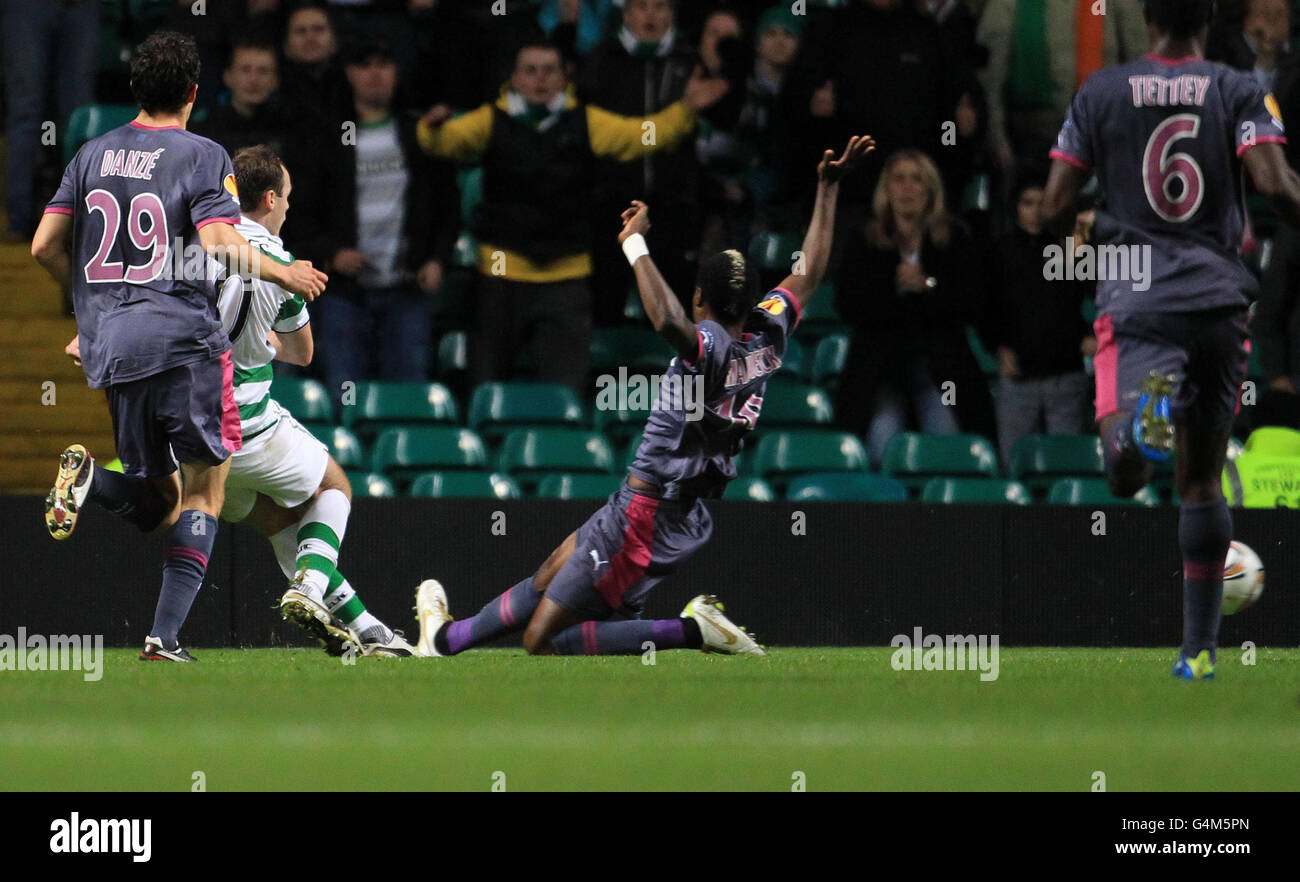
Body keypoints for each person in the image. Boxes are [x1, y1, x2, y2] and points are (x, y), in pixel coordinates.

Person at [413, 135, 875, 658]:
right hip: (669, 508)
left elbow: (666, 321)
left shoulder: (712, 344)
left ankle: (694, 630)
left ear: (700, 297)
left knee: (542, 640)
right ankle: (445, 640)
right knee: (550, 572)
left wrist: (635, 243)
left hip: (645, 513)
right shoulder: (768, 332)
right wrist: (828, 188)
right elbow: (808, 272)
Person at [32, 32, 328, 662]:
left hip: (115, 346)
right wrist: (285, 273)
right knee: (204, 495)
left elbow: (43, 246)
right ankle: (163, 639)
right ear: (194, 92)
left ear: (134, 89)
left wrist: (92, 316)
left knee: (155, 501)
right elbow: (220, 241)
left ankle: (89, 480)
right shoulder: (201, 153)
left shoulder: (90, 153)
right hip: (186, 342)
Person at [1042, 0, 1300, 680]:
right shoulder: (1239, 86)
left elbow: (1050, 206)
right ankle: (1198, 655)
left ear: (1148, 16)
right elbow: (1276, 186)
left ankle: (1137, 432)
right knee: (1200, 482)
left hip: (1138, 296)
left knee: (1124, 475)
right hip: (1219, 300)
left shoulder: (1101, 91)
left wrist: (1091, 216)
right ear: (1210, 20)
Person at [416, 38, 729, 394]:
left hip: (567, 281)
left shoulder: (587, 121)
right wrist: (429, 130)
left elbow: (641, 135)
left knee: (565, 395)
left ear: (565, 76)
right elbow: (442, 141)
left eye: (549, 70)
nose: (540, 79)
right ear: (514, 77)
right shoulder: (490, 120)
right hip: (499, 277)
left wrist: (686, 109)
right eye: (530, 71)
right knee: (486, 392)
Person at [214, 145, 415, 657]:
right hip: (247, 419)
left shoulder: (200, 242)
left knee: (282, 520)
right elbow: (303, 355)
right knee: (335, 487)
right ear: (268, 199)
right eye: (286, 198)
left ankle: (368, 630)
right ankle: (308, 589)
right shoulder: (282, 262)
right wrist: (271, 336)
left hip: (192, 426)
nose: (288, 207)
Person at [290, 37, 458, 398]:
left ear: (397, 72)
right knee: (345, 397)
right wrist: (334, 253)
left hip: (408, 290)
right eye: (365, 65)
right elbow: (301, 215)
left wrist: (437, 259)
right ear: (349, 74)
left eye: (384, 64)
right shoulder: (327, 138)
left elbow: (448, 208)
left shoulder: (419, 133)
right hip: (345, 295)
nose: (375, 74)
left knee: (407, 399)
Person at [833, 149, 992, 466]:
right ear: (887, 189)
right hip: (879, 369)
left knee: (943, 450)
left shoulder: (955, 238)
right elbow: (847, 303)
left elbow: (973, 301)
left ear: (930, 189)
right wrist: (895, 288)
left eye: (916, 179)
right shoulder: (864, 238)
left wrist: (927, 287)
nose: (907, 187)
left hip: (940, 367)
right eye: (899, 179)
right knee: (882, 444)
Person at [980, 172, 1096, 469]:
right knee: (1015, 465)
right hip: (1019, 375)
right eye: (1027, 203)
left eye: (1042, 203)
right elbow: (985, 308)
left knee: (1068, 466)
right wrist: (997, 347)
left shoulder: (1069, 247)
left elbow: (1086, 295)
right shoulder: (999, 252)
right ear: (1016, 207)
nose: (1035, 211)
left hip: (1066, 375)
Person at [192, 39, 293, 158]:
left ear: (275, 80)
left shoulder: (291, 130)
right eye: (245, 70)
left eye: (263, 71)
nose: (253, 80)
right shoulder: (202, 133)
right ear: (228, 76)